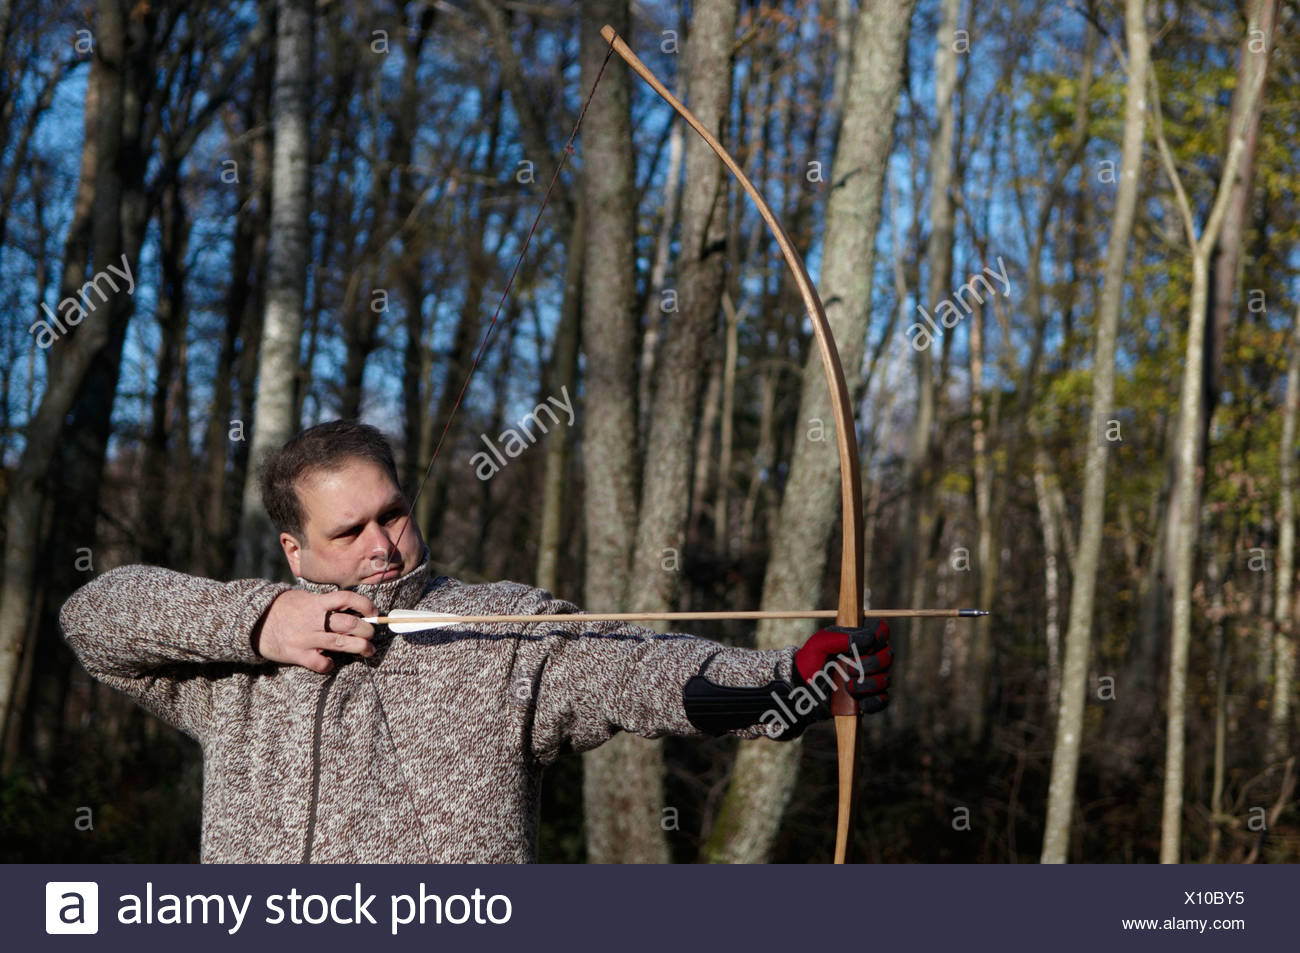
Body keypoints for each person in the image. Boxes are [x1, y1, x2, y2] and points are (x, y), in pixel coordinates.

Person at [60, 420, 891, 862]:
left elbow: (633, 666)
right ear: (296, 549)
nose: (383, 545)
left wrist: (782, 684)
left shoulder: (500, 628)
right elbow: (95, 615)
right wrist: (261, 623)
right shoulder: (238, 668)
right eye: (349, 531)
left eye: (393, 513)